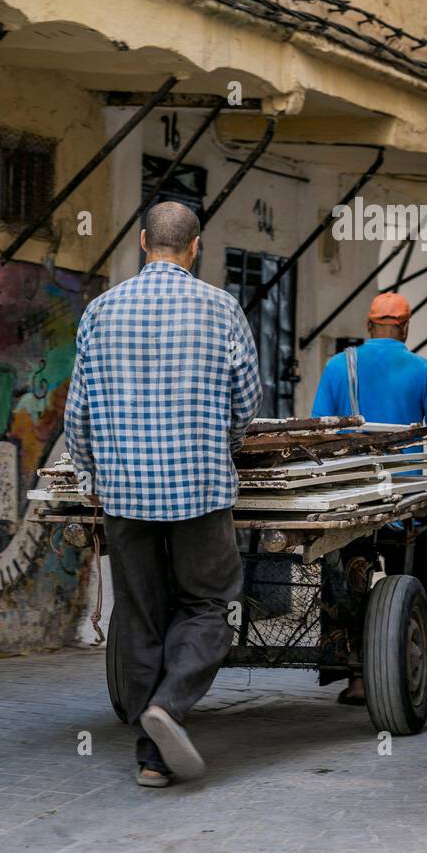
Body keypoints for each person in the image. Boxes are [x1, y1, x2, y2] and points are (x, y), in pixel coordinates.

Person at [64, 201, 261, 787]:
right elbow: (244, 405)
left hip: (125, 495)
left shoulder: (100, 312)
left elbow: (78, 416)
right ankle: (167, 708)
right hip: (200, 492)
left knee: (141, 614)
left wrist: (95, 477)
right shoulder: (222, 309)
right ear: (194, 247)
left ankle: (152, 759)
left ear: (144, 243)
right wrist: (217, 449)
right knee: (210, 605)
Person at [311, 291, 427, 705]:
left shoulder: (337, 367)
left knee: (348, 583)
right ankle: (412, 654)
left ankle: (357, 679)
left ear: (368, 326)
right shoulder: (422, 369)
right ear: (405, 327)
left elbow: (321, 432)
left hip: (352, 500)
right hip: (404, 504)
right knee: (415, 579)